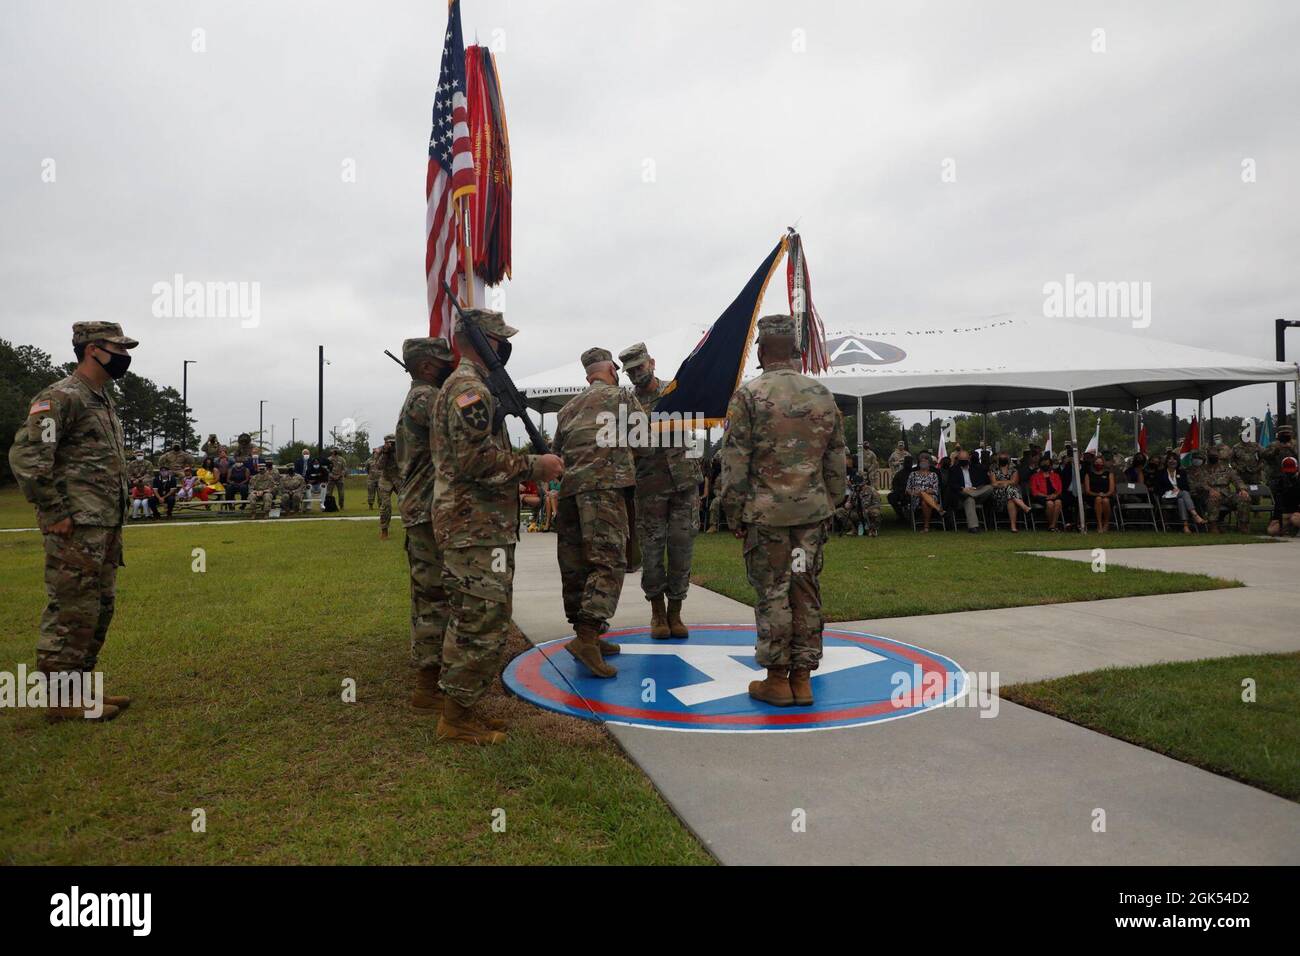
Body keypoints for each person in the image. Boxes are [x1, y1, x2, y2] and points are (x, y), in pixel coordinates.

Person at [432, 308, 564, 744]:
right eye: (500, 339)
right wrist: (534, 466)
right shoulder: (469, 389)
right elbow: (473, 461)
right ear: (483, 341)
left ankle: (462, 709)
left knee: (482, 616)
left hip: (479, 525)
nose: (506, 347)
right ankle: (455, 719)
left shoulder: (471, 386)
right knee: (478, 620)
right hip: (474, 526)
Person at [7, 320, 138, 721]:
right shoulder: (61, 397)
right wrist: (53, 511)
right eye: (116, 348)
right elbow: (28, 456)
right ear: (91, 348)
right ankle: (60, 701)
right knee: (70, 609)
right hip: (75, 524)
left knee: (98, 607)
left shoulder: (101, 400)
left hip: (103, 523)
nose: (123, 356)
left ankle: (78, 690)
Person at [719, 314, 846, 707]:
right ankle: (803, 678)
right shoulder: (821, 393)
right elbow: (836, 458)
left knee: (774, 592)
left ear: (761, 350)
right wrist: (833, 502)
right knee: (804, 589)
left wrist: (733, 511)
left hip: (767, 516)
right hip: (810, 515)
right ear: (794, 349)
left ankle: (777, 680)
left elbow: (735, 460)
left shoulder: (750, 395)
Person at [554, 347, 636, 676]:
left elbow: (556, 454)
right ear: (612, 369)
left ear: (587, 374)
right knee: (609, 561)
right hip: (605, 491)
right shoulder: (623, 397)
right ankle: (587, 637)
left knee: (577, 565)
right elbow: (642, 441)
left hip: (571, 493)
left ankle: (588, 632)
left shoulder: (568, 408)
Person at [619, 341, 701, 640]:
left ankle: (675, 612)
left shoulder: (675, 390)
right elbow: (624, 446)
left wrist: (697, 469)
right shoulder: (626, 403)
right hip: (649, 487)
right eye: (629, 371)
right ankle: (656, 612)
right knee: (652, 554)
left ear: (651, 362)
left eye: (639, 367)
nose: (635, 375)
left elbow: (697, 427)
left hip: (683, 484)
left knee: (681, 548)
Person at [394, 336, 456, 712]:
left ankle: (433, 678)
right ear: (429, 367)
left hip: (423, 508)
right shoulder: (426, 399)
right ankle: (427, 686)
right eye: (446, 361)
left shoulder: (421, 397)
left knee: (432, 594)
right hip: (427, 509)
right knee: (432, 597)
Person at [1202, 444, 1251, 533]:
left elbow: (1237, 479)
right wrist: (1210, 490)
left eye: (1215, 454)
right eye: (1211, 455)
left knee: (1244, 498)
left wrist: (1242, 489)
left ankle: (1243, 525)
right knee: (1214, 498)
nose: (1213, 456)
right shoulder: (1203, 469)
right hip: (1210, 494)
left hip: (1226, 494)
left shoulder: (1226, 469)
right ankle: (1213, 525)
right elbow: (1201, 483)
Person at [1154, 451, 1206, 533]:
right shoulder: (1160, 473)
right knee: (1184, 494)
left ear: (1177, 461)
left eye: (1174, 459)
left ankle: (1185, 526)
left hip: (1180, 496)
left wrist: (1178, 490)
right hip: (1166, 497)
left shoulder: (1181, 472)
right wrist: (1171, 490)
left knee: (1182, 499)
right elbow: (1157, 488)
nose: (1172, 461)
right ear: (1166, 461)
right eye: (1170, 459)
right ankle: (1195, 515)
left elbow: (1186, 486)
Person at [946, 450, 993, 532]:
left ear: (969, 459)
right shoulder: (953, 470)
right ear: (958, 460)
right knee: (969, 499)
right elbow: (951, 484)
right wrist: (963, 489)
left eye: (965, 460)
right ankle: (973, 527)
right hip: (961, 494)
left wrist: (975, 488)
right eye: (961, 460)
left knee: (989, 488)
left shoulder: (976, 469)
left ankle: (973, 527)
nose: (963, 462)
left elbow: (984, 481)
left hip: (976, 492)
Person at [989, 453, 1030, 531]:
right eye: (1001, 458)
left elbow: (1015, 482)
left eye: (1004, 458)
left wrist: (1001, 483)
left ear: (1008, 460)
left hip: (1011, 496)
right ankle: (1024, 507)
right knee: (1010, 489)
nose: (1003, 460)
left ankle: (1013, 527)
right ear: (998, 460)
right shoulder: (993, 470)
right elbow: (994, 484)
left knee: (1011, 498)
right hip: (999, 496)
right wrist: (1008, 483)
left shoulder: (1014, 470)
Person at [1266, 456, 1300, 536]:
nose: (1289, 474)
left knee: (1295, 519)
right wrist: (1276, 519)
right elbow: (1278, 503)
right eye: (1287, 471)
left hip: (1297, 513)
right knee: (1272, 530)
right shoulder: (1279, 483)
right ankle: (1290, 529)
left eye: (1292, 471)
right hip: (1285, 513)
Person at [1029, 455, 1064, 531]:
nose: (1045, 466)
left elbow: (1059, 489)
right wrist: (1047, 496)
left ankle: (1052, 526)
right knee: (1050, 504)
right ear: (1040, 465)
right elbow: (1034, 491)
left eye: (1047, 464)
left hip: (1054, 496)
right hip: (1041, 496)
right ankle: (1053, 526)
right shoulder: (1035, 476)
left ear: (1050, 465)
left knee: (1058, 502)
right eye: (1043, 464)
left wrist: (1054, 495)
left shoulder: (1056, 476)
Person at [1083, 454, 1117, 531]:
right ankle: (1099, 524)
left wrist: (1105, 495)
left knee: (1105, 500)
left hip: (1107, 496)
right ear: (1094, 463)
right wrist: (1097, 494)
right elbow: (1087, 490)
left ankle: (1106, 523)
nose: (1099, 464)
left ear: (1103, 463)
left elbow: (1111, 490)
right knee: (1098, 499)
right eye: (1097, 462)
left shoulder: (1109, 474)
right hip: (1092, 497)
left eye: (1100, 462)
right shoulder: (1088, 474)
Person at [374, 436, 399, 538]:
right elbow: (379, 466)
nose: (391, 445)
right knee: (386, 505)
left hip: (399, 479)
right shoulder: (380, 451)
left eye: (393, 443)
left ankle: (412, 531)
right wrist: (385, 453)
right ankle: (384, 530)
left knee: (407, 504)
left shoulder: (401, 450)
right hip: (386, 480)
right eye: (389, 443)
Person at [887, 454, 913, 521]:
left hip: (913, 493)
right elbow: (895, 485)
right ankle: (901, 515)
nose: (908, 464)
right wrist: (900, 491)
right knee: (891, 497)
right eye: (907, 462)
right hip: (901, 493)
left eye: (909, 462)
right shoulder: (899, 474)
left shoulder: (915, 473)